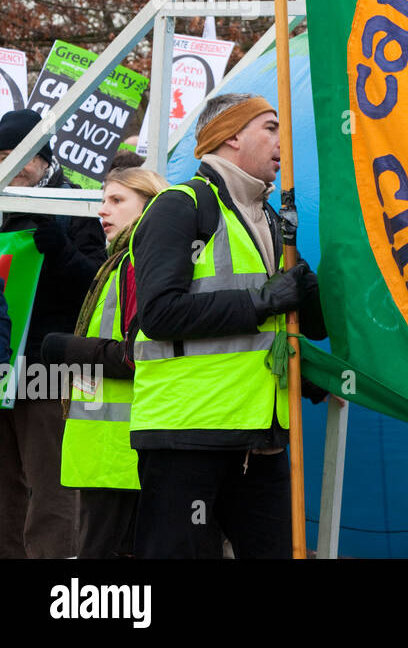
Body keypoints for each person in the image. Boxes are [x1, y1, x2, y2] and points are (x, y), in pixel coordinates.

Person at [128, 92, 325, 558]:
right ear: (231, 136)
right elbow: (158, 315)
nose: (283, 141)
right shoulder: (179, 206)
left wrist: (308, 287)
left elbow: (304, 326)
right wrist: (262, 299)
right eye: (270, 127)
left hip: (261, 438)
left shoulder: (273, 220)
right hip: (188, 436)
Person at [41, 166, 166, 558]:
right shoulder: (119, 261)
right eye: (102, 200)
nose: (102, 210)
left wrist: (66, 349)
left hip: (121, 453)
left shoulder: (137, 262)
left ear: (149, 206)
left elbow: (138, 353)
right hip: (108, 451)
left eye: (117, 200)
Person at [0, 108, 107, 558]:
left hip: (52, 371)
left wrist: (61, 253)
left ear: (42, 156)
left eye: (16, 154)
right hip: (4, 363)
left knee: (52, 482)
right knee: (4, 483)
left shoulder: (79, 205)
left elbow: (101, 289)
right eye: (2, 155)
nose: (10, 165)